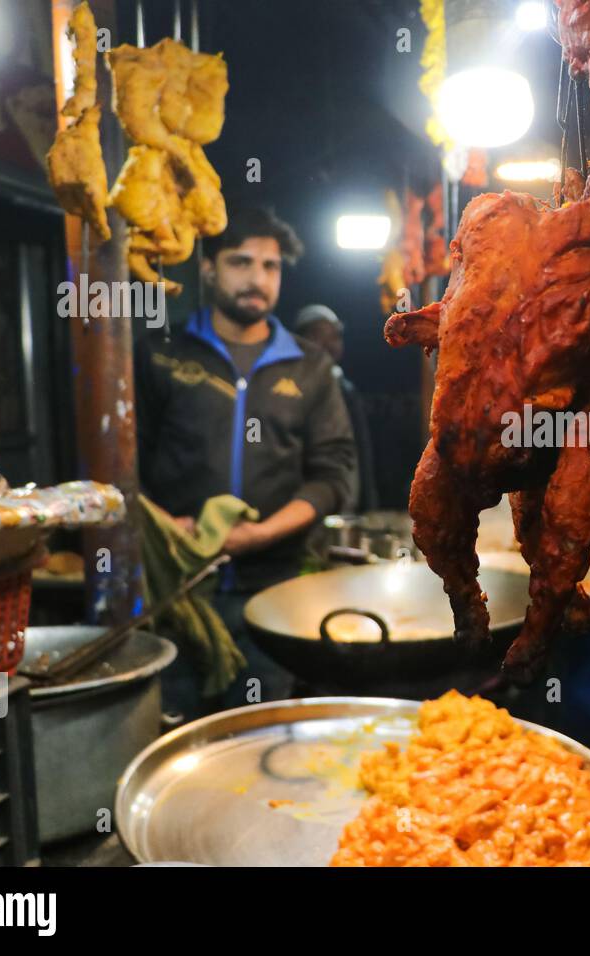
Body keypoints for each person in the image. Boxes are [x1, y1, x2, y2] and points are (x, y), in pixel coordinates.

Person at [135, 205, 358, 715]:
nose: (257, 278)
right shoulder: (161, 355)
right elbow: (122, 466)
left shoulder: (309, 367)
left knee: (258, 736)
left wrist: (260, 534)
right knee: (173, 734)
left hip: (273, 596)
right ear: (208, 268)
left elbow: (332, 475)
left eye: (270, 266)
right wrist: (166, 527)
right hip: (176, 593)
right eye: (241, 262)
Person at [293, 304, 378, 513]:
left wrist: (369, 504)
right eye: (318, 335)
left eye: (335, 336)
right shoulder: (288, 387)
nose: (329, 344)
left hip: (347, 505)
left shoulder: (346, 389)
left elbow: (361, 452)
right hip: (302, 510)